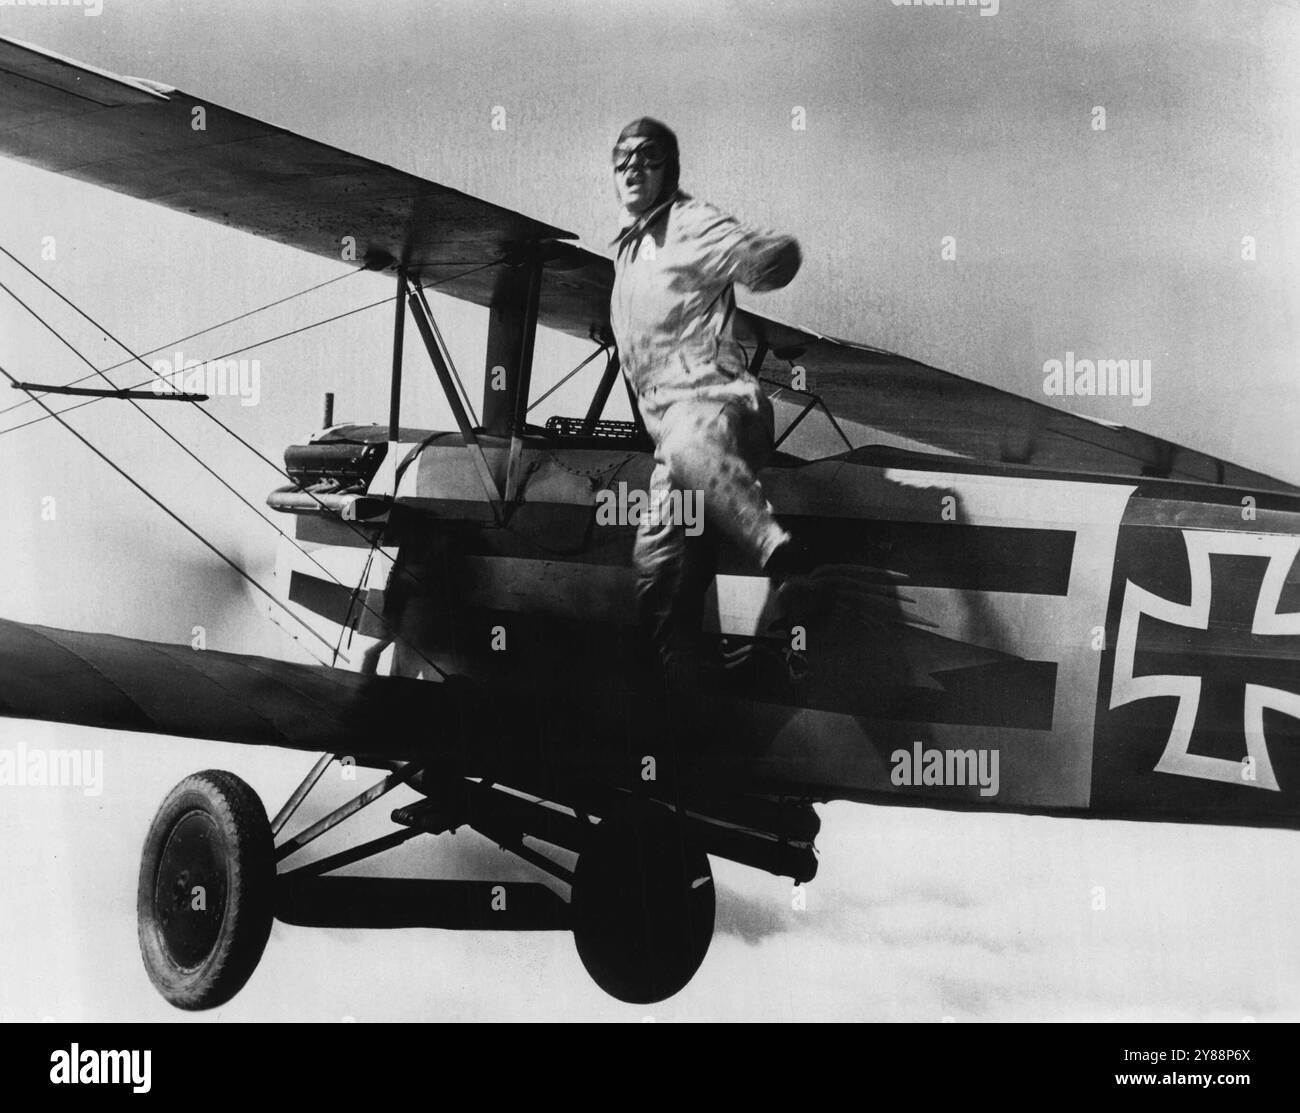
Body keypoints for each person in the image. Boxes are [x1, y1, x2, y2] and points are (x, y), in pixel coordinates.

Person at [608, 117, 816, 697]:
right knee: (656, 573)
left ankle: (786, 564)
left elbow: (751, 253)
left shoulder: (691, 222)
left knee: (684, 445)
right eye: (621, 160)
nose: (631, 169)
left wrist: (764, 257)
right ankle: (687, 711)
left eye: (646, 158)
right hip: (674, 443)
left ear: (669, 168)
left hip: (722, 409)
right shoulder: (627, 253)